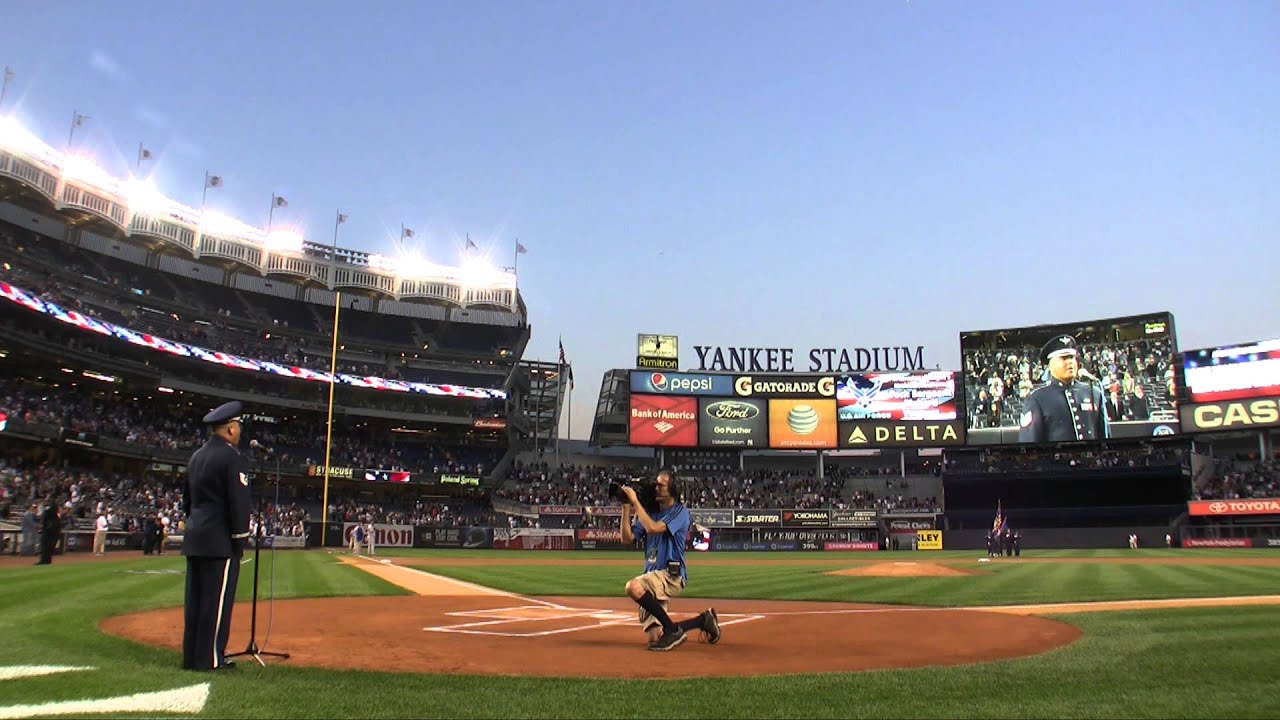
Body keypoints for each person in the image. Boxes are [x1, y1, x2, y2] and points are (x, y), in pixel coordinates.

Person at [182, 400, 252, 672]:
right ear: (231, 429)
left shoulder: (196, 457)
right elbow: (238, 502)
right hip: (220, 541)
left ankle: (192, 657)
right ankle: (210, 659)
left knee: (195, 602)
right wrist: (239, 539)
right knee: (216, 604)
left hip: (195, 536)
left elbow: (187, 501)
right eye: (238, 427)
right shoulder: (233, 458)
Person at [619, 469, 720, 651]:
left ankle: (673, 631)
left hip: (671, 575)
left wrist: (636, 502)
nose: (656, 488)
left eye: (661, 485)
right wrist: (626, 507)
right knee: (654, 638)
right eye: (656, 484)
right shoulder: (650, 511)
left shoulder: (679, 512)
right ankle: (703, 620)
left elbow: (653, 528)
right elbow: (627, 539)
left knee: (633, 587)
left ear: (672, 489)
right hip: (652, 575)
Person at [1018, 335, 1110, 443]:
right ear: (1050, 365)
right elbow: (1030, 444)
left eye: (1072, 357)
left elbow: (1105, 438)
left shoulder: (1093, 392)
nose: (1070, 362)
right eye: (1063, 358)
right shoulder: (1037, 398)